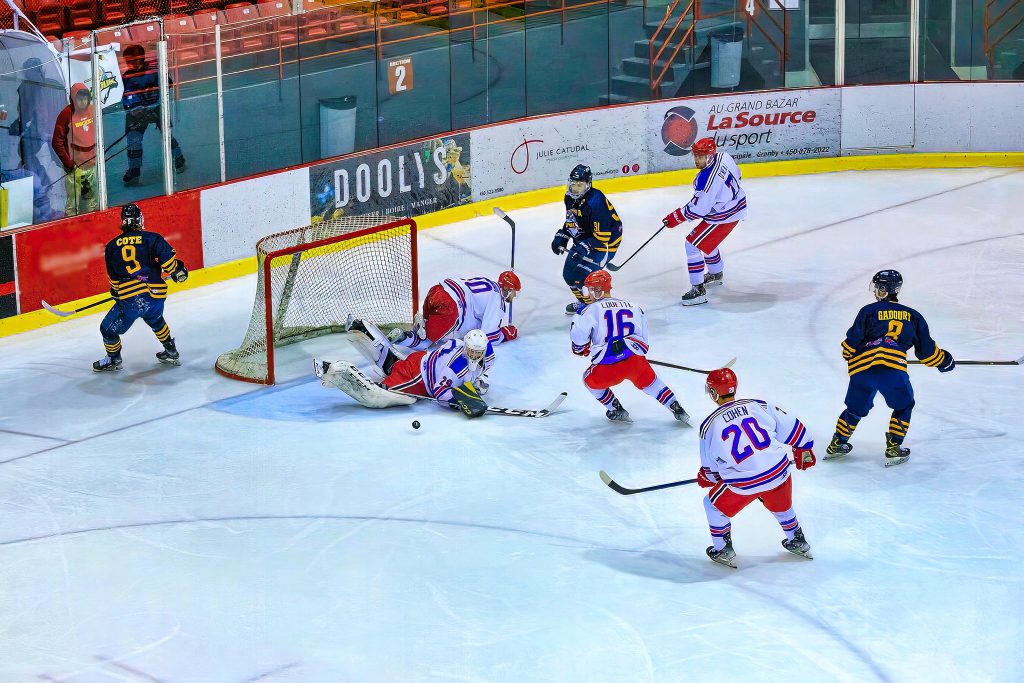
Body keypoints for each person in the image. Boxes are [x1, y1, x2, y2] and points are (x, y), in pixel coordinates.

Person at [825, 269, 955, 467]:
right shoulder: (913, 316)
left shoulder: (868, 310)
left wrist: (851, 355)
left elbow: (849, 346)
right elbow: (927, 353)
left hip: (862, 371)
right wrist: (943, 360)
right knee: (904, 406)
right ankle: (894, 448)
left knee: (855, 408)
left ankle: (837, 443)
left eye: (879, 287)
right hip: (892, 371)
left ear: (886, 290)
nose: (877, 290)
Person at [697, 367, 816, 568]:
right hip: (779, 471)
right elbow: (791, 426)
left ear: (714, 392)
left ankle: (722, 549)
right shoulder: (757, 405)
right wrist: (804, 447)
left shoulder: (709, 425)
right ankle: (798, 538)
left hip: (744, 483)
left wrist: (707, 477)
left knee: (712, 505)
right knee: (781, 504)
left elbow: (712, 471)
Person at [569, 269, 689, 424]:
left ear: (597, 290)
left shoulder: (587, 311)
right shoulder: (634, 307)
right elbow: (643, 343)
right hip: (635, 362)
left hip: (606, 367)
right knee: (652, 384)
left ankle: (616, 409)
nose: (589, 294)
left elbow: (578, 344)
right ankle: (675, 406)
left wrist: (583, 348)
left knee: (588, 381)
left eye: (591, 290)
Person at [316, 325, 494, 418]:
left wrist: (475, 383)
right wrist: (462, 401)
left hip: (421, 359)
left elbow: (481, 364)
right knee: (381, 393)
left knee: (397, 367)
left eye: (478, 352)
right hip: (417, 376)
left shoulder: (482, 351)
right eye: (472, 351)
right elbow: (441, 395)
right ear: (466, 348)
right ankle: (338, 371)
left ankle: (365, 331)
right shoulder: (454, 369)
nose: (475, 355)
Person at [93, 203, 188, 372]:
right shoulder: (153, 238)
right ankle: (171, 350)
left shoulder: (112, 246)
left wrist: (117, 293)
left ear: (124, 222)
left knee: (107, 330)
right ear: (140, 220)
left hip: (132, 299)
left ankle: (114, 360)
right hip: (156, 295)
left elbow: (114, 279)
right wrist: (177, 271)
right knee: (156, 319)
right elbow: (169, 264)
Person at [661, 137, 747, 306]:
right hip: (734, 206)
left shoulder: (707, 179)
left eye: (701, 156)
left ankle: (698, 289)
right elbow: (739, 174)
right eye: (696, 155)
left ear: (710, 155)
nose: (697, 159)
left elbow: (699, 209)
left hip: (725, 216)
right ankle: (716, 273)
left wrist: (675, 217)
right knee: (706, 240)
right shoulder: (724, 156)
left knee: (692, 244)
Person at [551, 164, 622, 315]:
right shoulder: (569, 198)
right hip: (588, 236)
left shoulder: (596, 202)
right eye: (573, 184)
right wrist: (563, 236)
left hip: (607, 241)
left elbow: (602, 237)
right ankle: (584, 302)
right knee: (569, 274)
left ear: (588, 185)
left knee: (585, 278)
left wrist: (583, 247)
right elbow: (572, 222)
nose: (575, 189)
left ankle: (595, 308)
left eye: (580, 185)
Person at [389, 271, 521, 350]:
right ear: (508, 290)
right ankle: (406, 336)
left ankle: (416, 329)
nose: (514, 296)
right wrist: (506, 333)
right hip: (449, 307)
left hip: (437, 291)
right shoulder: (497, 298)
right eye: (514, 293)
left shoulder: (488, 282)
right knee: (426, 342)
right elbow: (490, 336)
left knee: (425, 333)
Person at [121, 44, 186, 186]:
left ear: (140, 59)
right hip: (138, 113)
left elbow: (168, 84)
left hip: (157, 108)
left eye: (131, 60)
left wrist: (158, 102)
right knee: (133, 139)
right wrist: (134, 109)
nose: (129, 64)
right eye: (127, 61)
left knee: (167, 135)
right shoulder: (126, 77)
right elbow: (126, 97)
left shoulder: (155, 71)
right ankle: (134, 170)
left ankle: (179, 159)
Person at [10, 57, 65, 222]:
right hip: (41, 135)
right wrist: (16, 125)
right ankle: (45, 203)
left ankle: (51, 201)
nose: (28, 75)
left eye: (30, 71)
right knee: (31, 162)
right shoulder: (26, 87)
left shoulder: (51, 85)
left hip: (51, 134)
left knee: (60, 166)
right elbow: (26, 114)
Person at [51, 83, 98, 217]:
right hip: (75, 167)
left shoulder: (92, 110)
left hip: (92, 163)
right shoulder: (66, 114)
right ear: (73, 99)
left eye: (85, 98)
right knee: (73, 202)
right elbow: (56, 142)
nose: (83, 101)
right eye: (79, 98)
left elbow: (97, 133)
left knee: (92, 199)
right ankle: (71, 226)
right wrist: (68, 162)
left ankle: (92, 222)